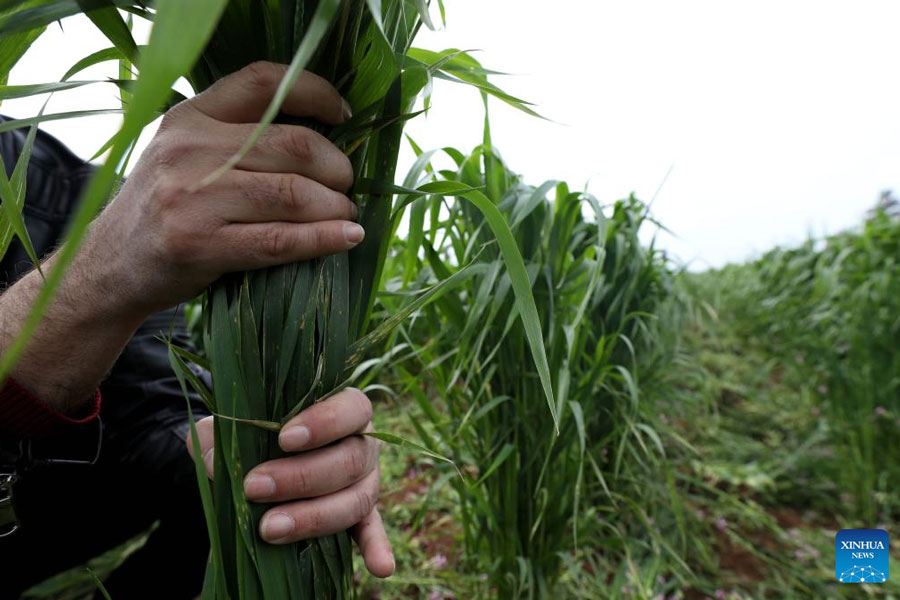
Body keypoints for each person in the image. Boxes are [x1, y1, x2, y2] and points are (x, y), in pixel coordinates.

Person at [0, 62, 393, 599]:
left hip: (41, 536)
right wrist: (100, 270)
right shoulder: (110, 226)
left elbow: (154, 412)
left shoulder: (79, 196)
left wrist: (247, 452)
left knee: (222, 507)